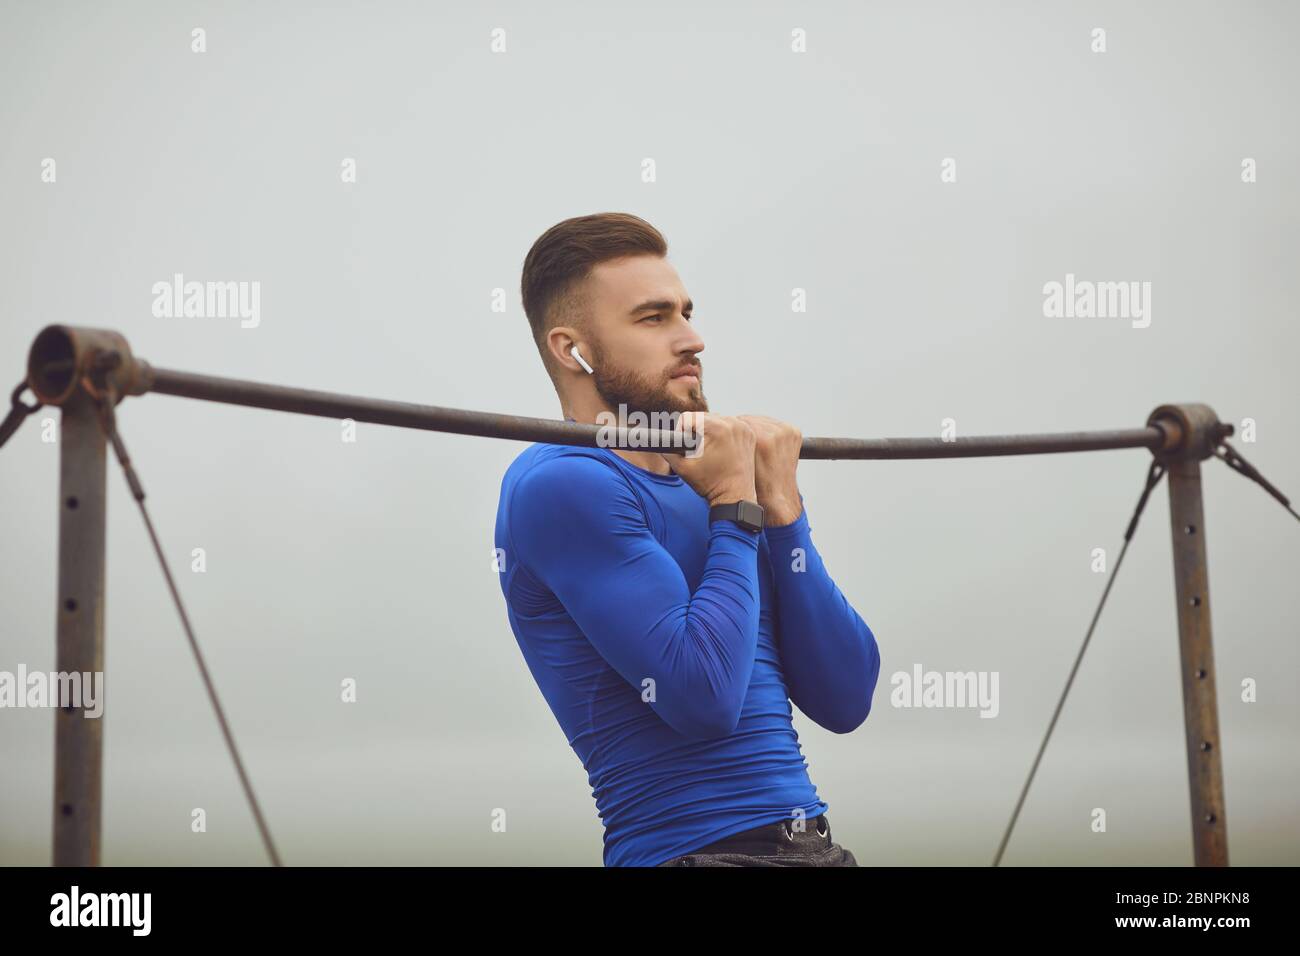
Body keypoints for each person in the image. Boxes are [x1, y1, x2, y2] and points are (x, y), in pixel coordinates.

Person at [494, 212, 880, 866]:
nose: (692, 339)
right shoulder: (562, 483)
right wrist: (735, 507)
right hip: (692, 854)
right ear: (573, 350)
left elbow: (845, 698)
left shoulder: (714, 481)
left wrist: (782, 510)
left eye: (686, 313)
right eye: (654, 318)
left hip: (816, 846)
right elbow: (702, 699)